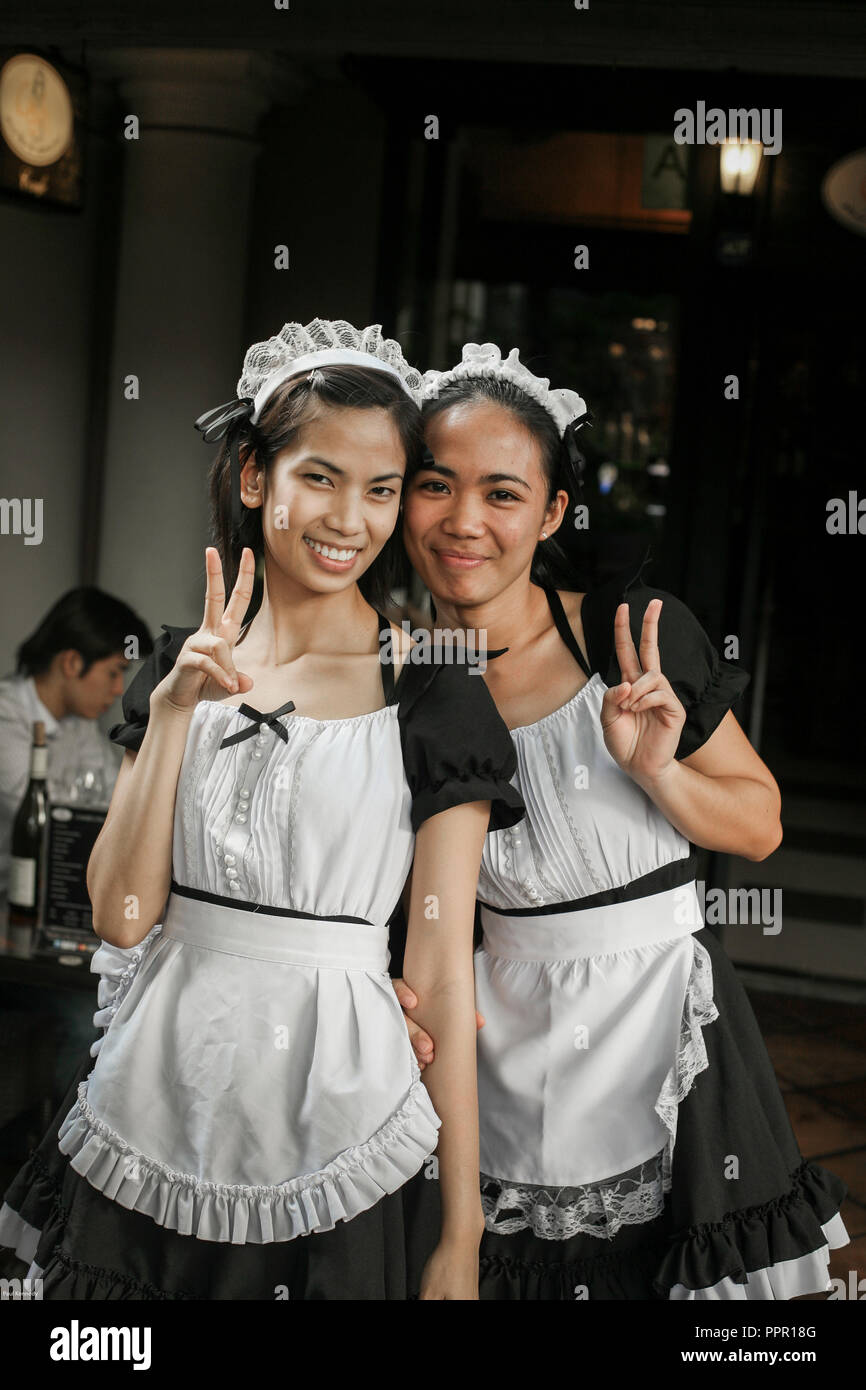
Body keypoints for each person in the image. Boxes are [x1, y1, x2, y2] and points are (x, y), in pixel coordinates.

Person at [0, 320, 524, 1300]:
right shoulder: (177, 668)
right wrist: (168, 716)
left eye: (380, 489)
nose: (350, 520)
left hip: (338, 1121)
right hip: (155, 1102)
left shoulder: (431, 689)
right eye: (319, 477)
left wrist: (460, 1228)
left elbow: (441, 974)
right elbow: (118, 917)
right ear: (254, 477)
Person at [394, 340, 849, 1300]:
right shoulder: (396, 674)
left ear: (554, 510)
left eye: (503, 494)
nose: (463, 521)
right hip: (497, 1032)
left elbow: (760, 824)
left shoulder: (628, 634)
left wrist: (662, 776)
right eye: (436, 486)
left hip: (666, 1029)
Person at [0, 589, 152, 907]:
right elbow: (46, 824)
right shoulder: (5, 715)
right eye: (114, 672)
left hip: (51, 895)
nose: (117, 690)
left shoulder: (79, 724)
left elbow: (114, 804)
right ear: (71, 662)